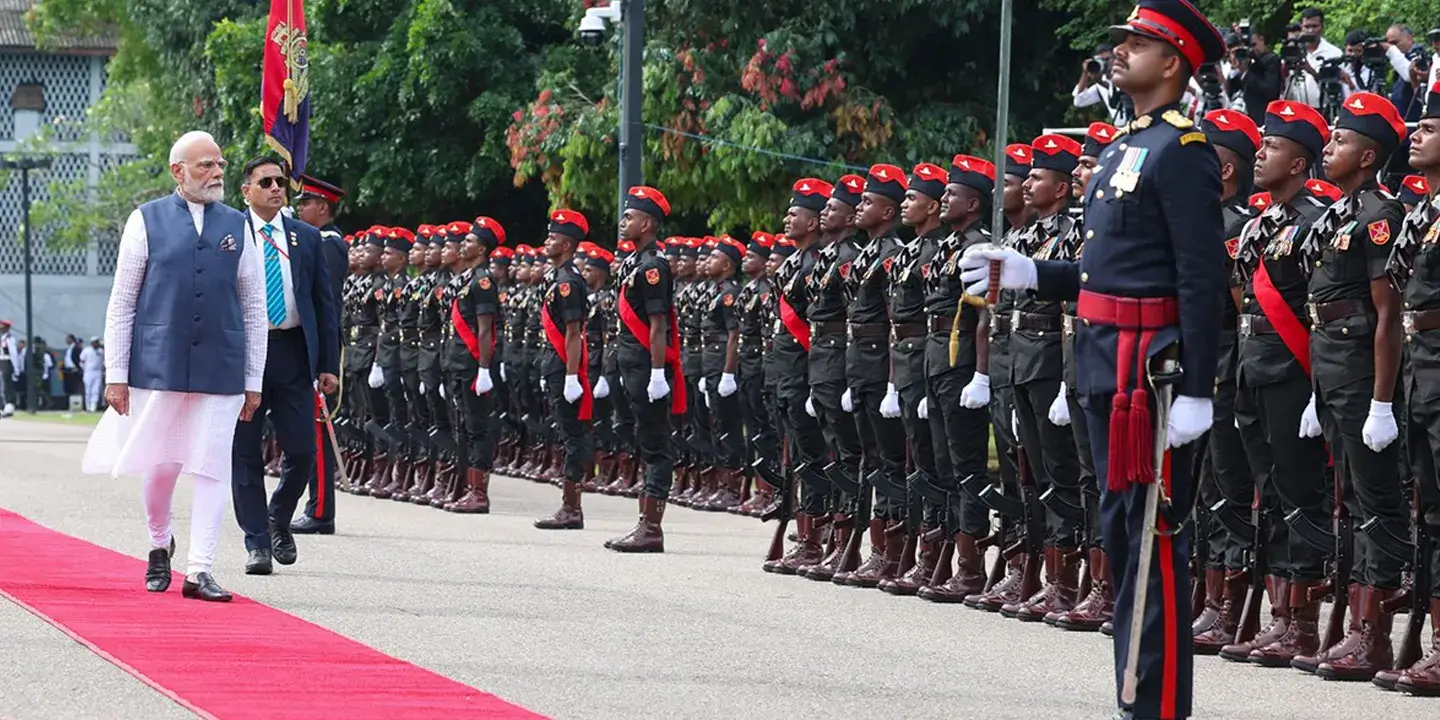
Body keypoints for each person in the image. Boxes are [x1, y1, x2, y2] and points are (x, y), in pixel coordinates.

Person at [961, 2, 1228, 716]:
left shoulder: (1184, 150)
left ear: (1172, 62)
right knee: (1120, 533)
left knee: (1150, 544)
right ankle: (1133, 697)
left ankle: (1156, 707)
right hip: (1102, 363)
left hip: (1151, 378)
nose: (1119, 51)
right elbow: (1104, 269)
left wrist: (1198, 388)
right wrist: (1028, 273)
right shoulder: (1121, 145)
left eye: (1136, 43)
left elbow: (1202, 277)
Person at [82, 130, 269, 602]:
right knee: (160, 465)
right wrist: (117, 375)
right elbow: (122, 303)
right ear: (177, 170)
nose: (217, 172)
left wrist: (253, 380)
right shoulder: (145, 221)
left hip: (221, 365)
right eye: (205, 165)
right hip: (158, 364)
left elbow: (253, 308)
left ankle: (200, 568)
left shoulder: (237, 225)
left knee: (211, 466)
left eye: (220, 163)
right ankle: (158, 543)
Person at [228, 156, 339, 576]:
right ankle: (257, 542)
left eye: (280, 182)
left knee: (303, 450)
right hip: (246, 356)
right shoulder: (231, 234)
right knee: (245, 454)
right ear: (247, 191)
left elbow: (324, 305)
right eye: (266, 182)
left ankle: (278, 516)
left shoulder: (307, 238)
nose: (276, 188)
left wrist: (328, 363)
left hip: (293, 353)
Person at [1381, 78, 1440, 695]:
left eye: (1428, 127)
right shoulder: (1424, 212)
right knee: (1433, 511)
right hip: (1420, 365)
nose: (1415, 135)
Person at [604, 185, 683, 553]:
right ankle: (644, 522)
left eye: (630, 216)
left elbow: (658, 325)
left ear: (648, 223)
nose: (623, 222)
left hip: (646, 367)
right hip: (631, 363)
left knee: (656, 444)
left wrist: (655, 373)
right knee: (643, 439)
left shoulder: (653, 267)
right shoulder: (634, 262)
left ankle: (651, 527)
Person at [291, 174, 348, 534]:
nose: (298, 210)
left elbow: (323, 305)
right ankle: (316, 505)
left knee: (317, 429)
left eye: (304, 204)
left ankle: (322, 509)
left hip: (321, 346)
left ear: (322, 208)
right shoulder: (318, 241)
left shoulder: (328, 244)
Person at [533, 210, 594, 529]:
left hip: (565, 365)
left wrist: (572, 376)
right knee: (565, 433)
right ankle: (569, 505)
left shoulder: (569, 282)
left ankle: (572, 509)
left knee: (573, 437)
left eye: (554, 237)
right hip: (554, 364)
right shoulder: (556, 278)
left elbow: (574, 331)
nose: (548, 241)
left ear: (568, 244)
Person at [80, 338, 104, 412]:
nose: (95, 344)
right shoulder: (86, 350)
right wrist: (85, 369)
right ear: (91, 343)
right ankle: (88, 407)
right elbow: (81, 361)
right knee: (88, 389)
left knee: (96, 390)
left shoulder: (101, 351)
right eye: (94, 342)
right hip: (88, 372)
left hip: (98, 372)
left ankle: (93, 407)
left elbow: (103, 361)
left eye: (97, 342)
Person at [0, 319, 16, 415]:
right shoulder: (2, 338)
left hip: (7, 361)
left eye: (2, 326)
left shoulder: (9, 339)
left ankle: (8, 406)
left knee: (7, 385)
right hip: (1, 361)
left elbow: (13, 354)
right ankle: (2, 405)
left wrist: (16, 368)